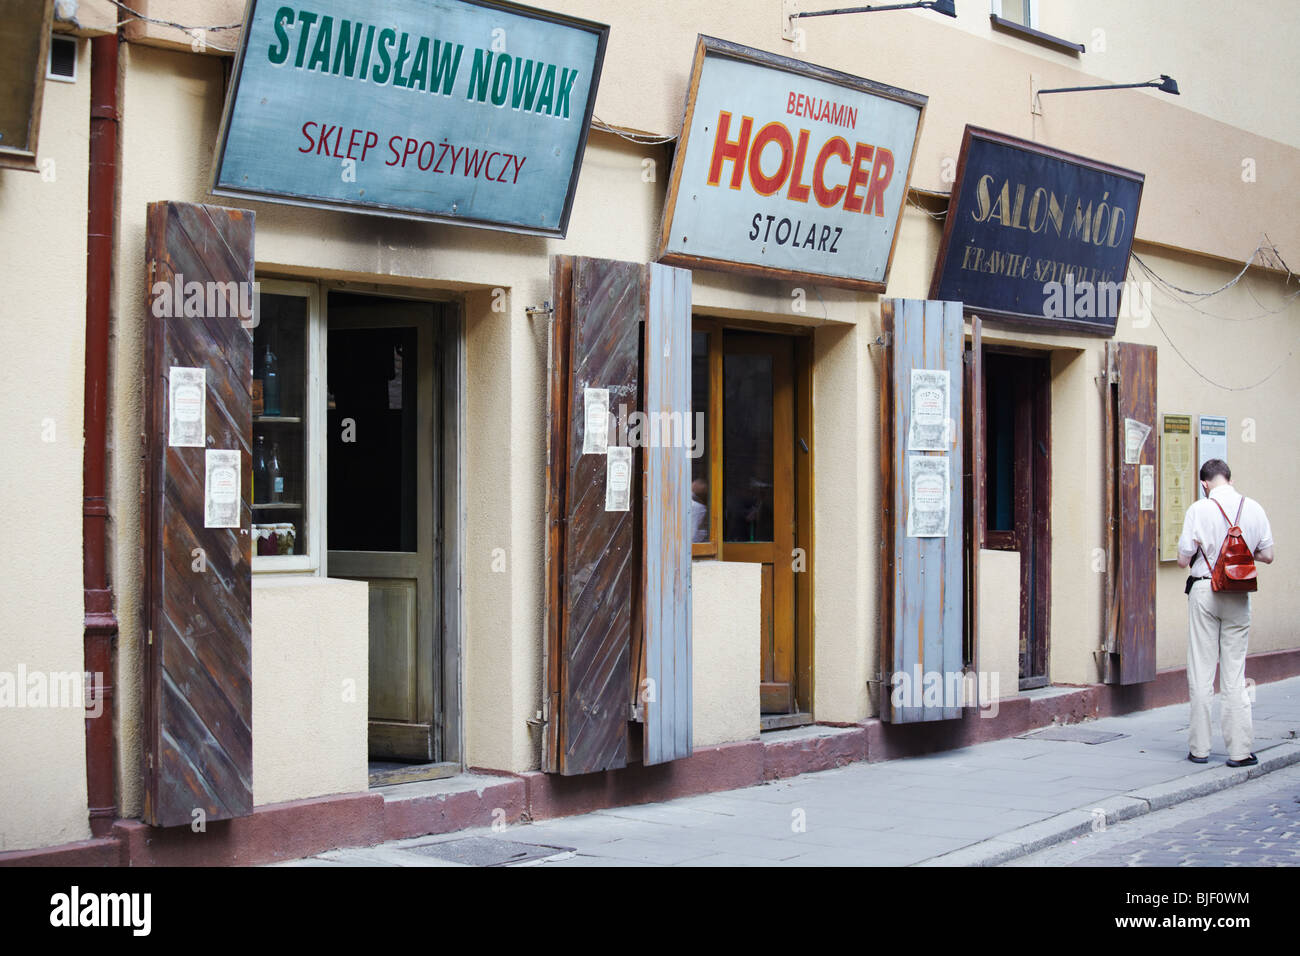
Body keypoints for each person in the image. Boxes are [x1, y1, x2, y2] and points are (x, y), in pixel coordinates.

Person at [1176, 459, 1274, 767]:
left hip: (1204, 590)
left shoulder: (1198, 509)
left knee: (1202, 671)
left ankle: (1200, 749)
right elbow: (1268, 555)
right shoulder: (1254, 508)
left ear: (1205, 484)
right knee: (1235, 674)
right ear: (1229, 479)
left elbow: (1182, 559)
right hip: (1238, 592)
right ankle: (1240, 751)